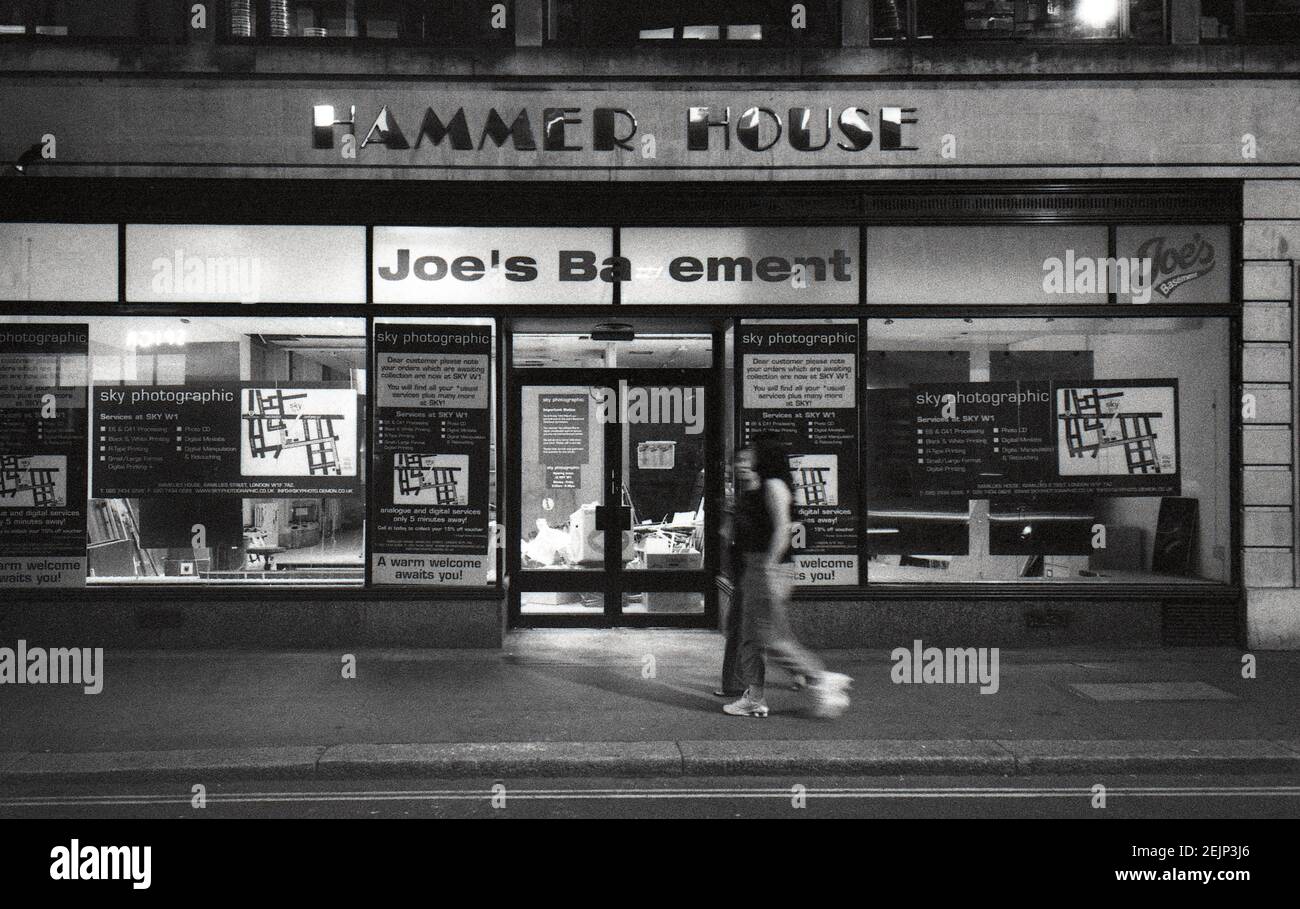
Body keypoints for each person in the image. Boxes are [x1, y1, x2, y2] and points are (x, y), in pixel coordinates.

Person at [724, 434, 852, 718]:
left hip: (767, 567)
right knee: (752, 638)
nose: (747, 459)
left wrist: (768, 567)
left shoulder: (774, 486)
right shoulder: (760, 486)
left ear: (766, 455)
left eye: (753, 452)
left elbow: (783, 530)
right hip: (756, 567)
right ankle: (754, 697)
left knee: (770, 637)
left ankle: (819, 677)